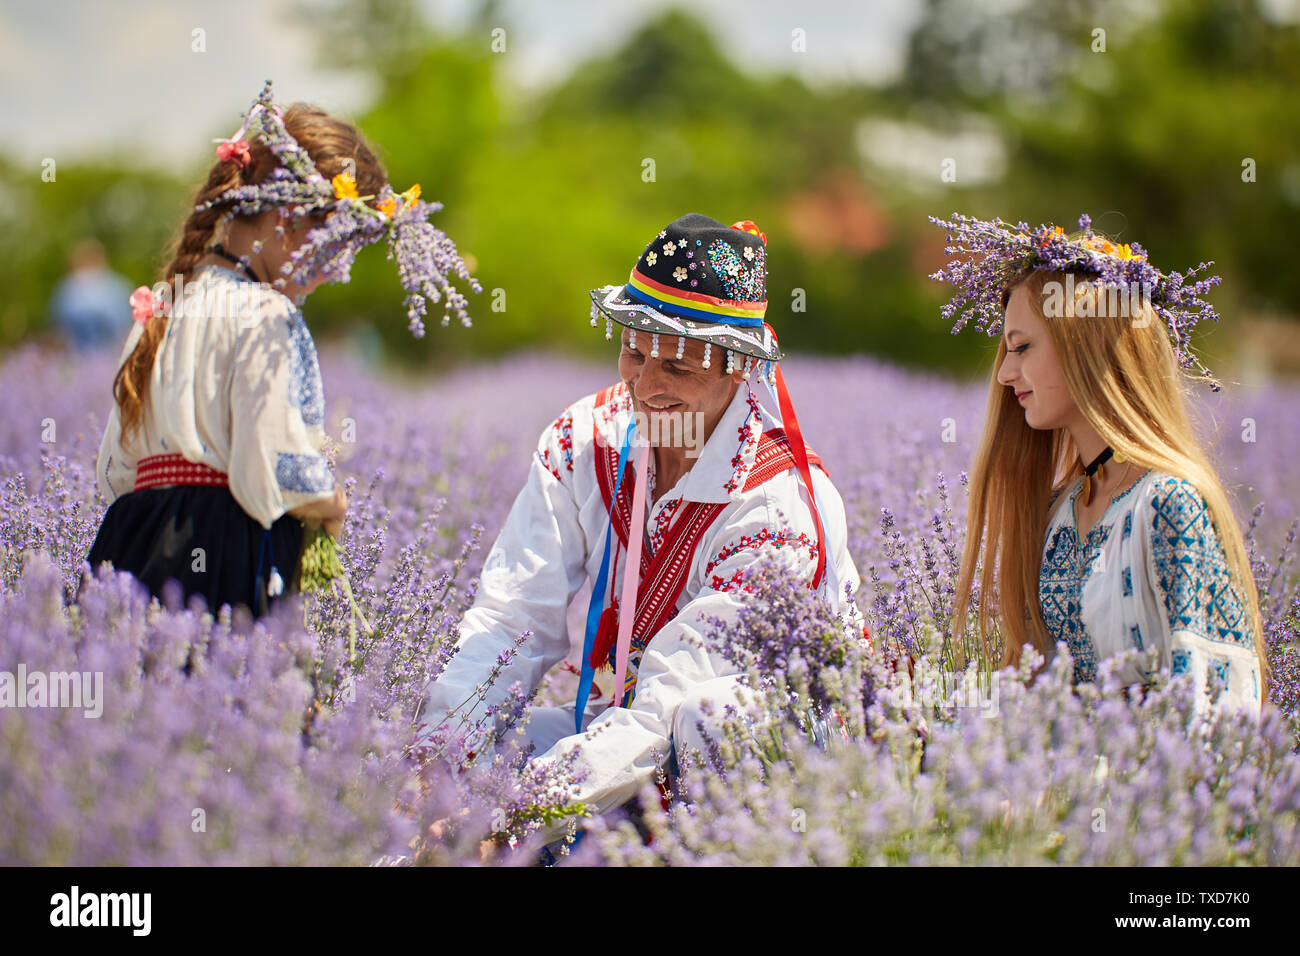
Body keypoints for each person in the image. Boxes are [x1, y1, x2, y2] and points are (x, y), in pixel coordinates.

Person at [415, 213, 864, 846]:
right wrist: (442, 762)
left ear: (738, 368)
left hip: (770, 745)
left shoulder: (774, 500)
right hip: (623, 723)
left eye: (679, 366)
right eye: (634, 350)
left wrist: (514, 816)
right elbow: (511, 616)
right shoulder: (583, 440)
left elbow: (672, 702)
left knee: (712, 718)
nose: (645, 385)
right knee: (474, 745)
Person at [86, 80, 478, 618]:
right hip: (222, 549)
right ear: (288, 223)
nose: (332, 275)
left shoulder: (158, 308)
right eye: (333, 248)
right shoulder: (265, 315)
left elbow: (115, 471)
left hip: (128, 544)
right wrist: (329, 503)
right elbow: (273, 463)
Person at [934, 212, 1265, 717]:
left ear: (1085, 345)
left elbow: (1218, 713)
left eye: (1022, 347)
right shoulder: (1057, 510)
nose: (1003, 372)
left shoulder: (1170, 505)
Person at [48, 239, 134, 352]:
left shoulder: (67, 287)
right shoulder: (119, 286)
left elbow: (56, 330)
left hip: (76, 357)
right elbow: (128, 327)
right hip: (113, 356)